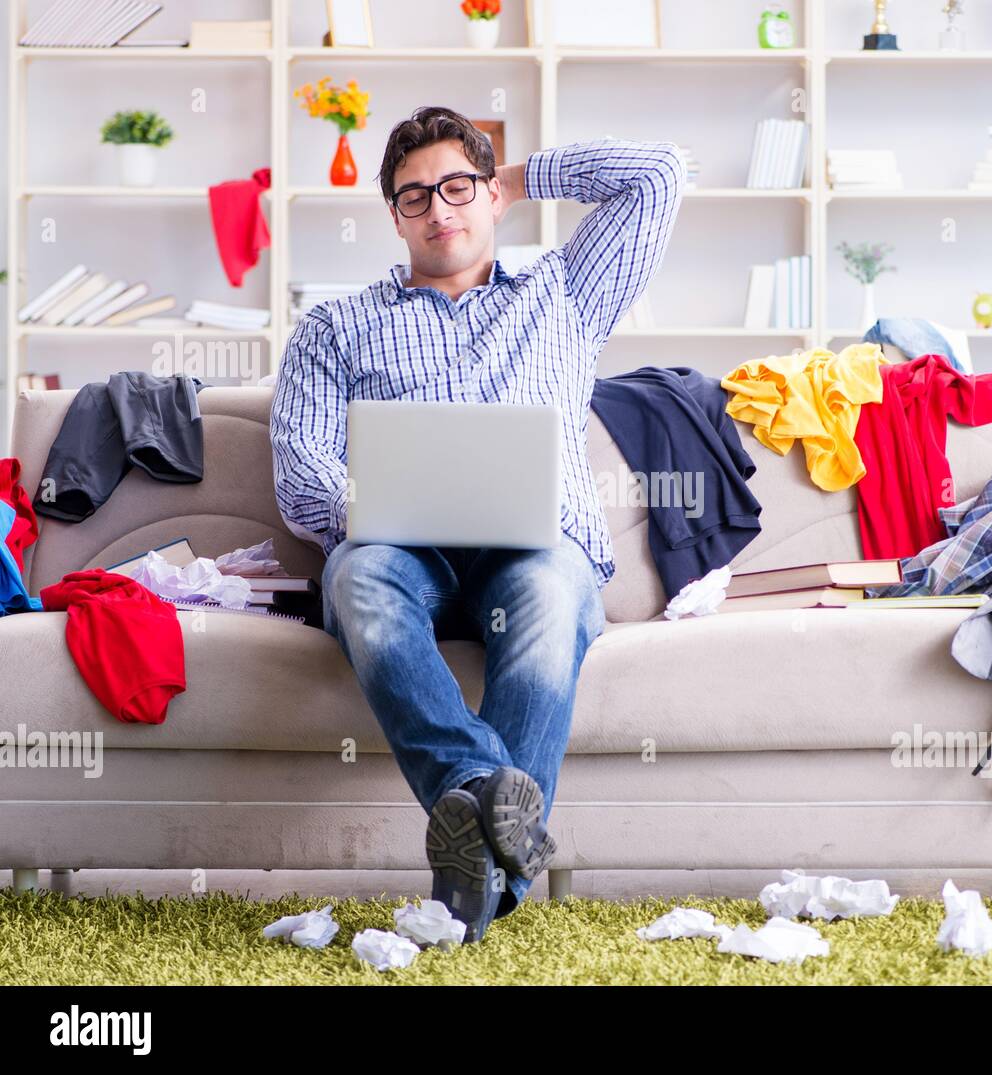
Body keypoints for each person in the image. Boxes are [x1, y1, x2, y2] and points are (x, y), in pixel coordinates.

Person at [269, 106, 685, 941]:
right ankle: (494, 795)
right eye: (415, 196)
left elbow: (660, 173)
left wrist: (517, 177)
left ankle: (476, 878)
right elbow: (299, 466)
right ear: (392, 216)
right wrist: (366, 506)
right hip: (400, 553)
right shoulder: (334, 327)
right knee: (356, 575)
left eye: (458, 187)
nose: (439, 209)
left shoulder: (565, 292)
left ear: (491, 196)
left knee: (548, 595)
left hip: (536, 551)